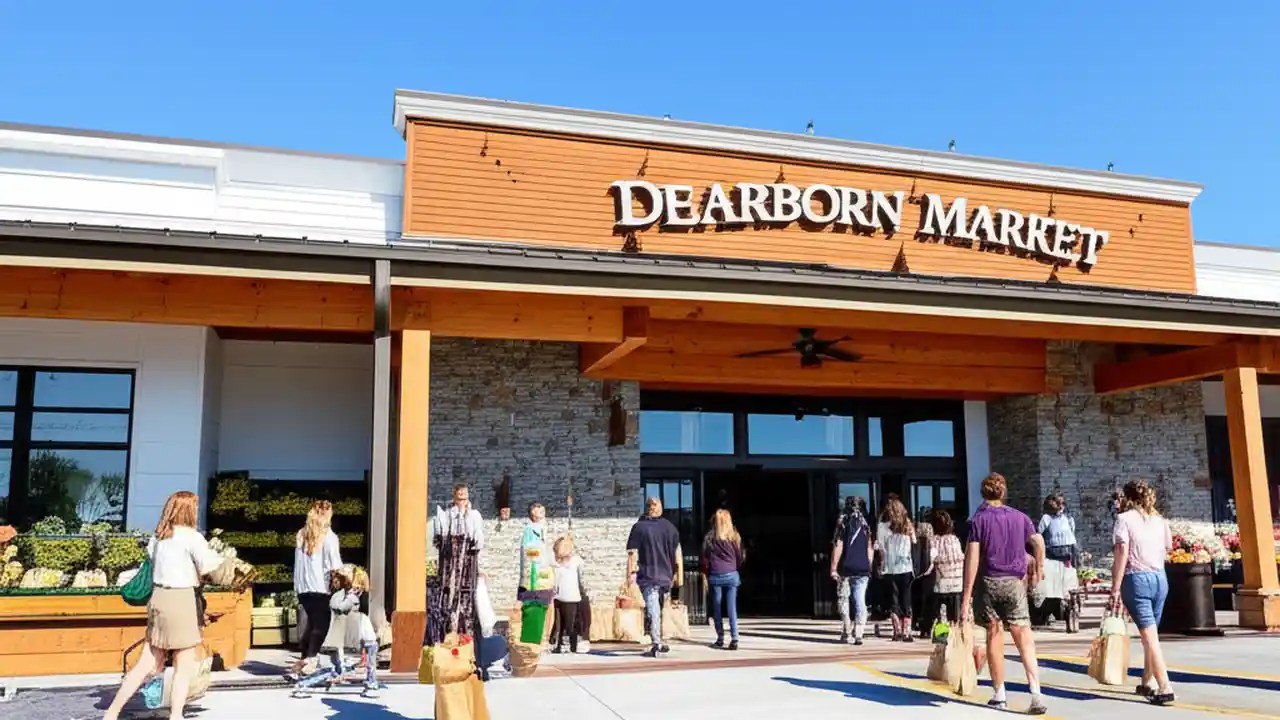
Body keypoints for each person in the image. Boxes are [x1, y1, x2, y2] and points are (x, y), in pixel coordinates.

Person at [104, 491, 227, 720]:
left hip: (157, 599)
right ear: (189, 510)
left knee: (146, 662)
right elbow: (210, 566)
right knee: (183, 664)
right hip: (181, 600)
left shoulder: (158, 538)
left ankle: (112, 712)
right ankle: (177, 715)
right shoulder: (192, 537)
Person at [960, 472, 1047, 715]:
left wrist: (966, 597)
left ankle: (999, 694)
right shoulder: (1020, 517)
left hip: (989, 582)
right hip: (1015, 583)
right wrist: (1039, 567)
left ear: (983, 493)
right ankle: (1036, 693)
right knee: (1024, 638)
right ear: (1003, 492)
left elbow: (972, 559)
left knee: (994, 634)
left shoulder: (979, 520)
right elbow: (1038, 541)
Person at [1111, 480, 1175, 705]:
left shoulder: (1124, 519)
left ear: (1127, 498)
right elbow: (1168, 548)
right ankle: (1147, 680)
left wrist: (1115, 587)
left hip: (1136, 579)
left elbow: (1122, 551)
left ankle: (1165, 685)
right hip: (1160, 578)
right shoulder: (1159, 520)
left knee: (1149, 637)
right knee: (1152, 635)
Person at [428, 484, 484, 648]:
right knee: (449, 595)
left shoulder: (474, 515)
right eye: (459, 498)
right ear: (454, 498)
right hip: (450, 564)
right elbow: (439, 540)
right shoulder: (447, 515)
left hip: (467, 562)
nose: (462, 502)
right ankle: (448, 633)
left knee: (466, 599)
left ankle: (466, 635)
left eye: (465, 498)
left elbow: (479, 539)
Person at [292, 499, 343, 677]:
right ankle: (311, 659)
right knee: (321, 624)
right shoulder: (329, 536)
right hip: (320, 587)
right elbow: (335, 565)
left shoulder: (301, 534)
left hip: (302, 588)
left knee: (312, 623)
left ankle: (304, 656)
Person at [626, 497, 682, 659]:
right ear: (660, 509)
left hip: (648, 573)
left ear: (646, 508)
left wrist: (629, 574)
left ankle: (656, 642)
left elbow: (632, 553)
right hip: (666, 574)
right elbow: (677, 552)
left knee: (653, 609)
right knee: (659, 607)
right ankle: (660, 639)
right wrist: (677, 573)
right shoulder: (670, 528)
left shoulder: (639, 527)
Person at [326, 564, 380, 692]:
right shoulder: (350, 595)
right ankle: (368, 679)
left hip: (358, 626)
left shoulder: (351, 596)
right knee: (368, 650)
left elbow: (340, 607)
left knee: (368, 649)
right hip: (356, 625)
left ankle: (369, 679)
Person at [829, 496, 873, 645]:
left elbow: (838, 544)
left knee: (844, 598)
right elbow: (869, 547)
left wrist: (833, 567)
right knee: (860, 599)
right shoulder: (866, 523)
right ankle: (859, 631)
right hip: (862, 568)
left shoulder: (843, 522)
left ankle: (847, 629)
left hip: (845, 568)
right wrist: (869, 565)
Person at [702, 508, 745, 650]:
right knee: (732, 607)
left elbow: (705, 557)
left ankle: (720, 638)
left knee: (717, 608)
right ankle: (734, 638)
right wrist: (734, 567)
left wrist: (706, 572)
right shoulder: (735, 537)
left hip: (715, 575)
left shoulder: (710, 538)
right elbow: (740, 556)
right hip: (732, 574)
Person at [876, 497, 917, 642]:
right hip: (906, 566)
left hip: (890, 567)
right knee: (906, 598)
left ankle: (897, 630)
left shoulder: (882, 527)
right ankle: (907, 631)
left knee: (893, 598)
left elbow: (881, 548)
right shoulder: (908, 525)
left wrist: (881, 565)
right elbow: (914, 543)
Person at [925, 509, 964, 631]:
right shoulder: (955, 540)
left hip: (940, 583)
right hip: (956, 583)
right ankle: (955, 635)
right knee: (954, 614)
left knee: (940, 614)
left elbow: (931, 561)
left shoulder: (934, 541)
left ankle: (941, 637)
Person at [551, 536, 584, 654]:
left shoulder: (574, 561)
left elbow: (581, 578)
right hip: (563, 596)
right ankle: (561, 644)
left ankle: (570, 644)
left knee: (566, 624)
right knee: (562, 623)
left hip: (568, 597)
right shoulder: (557, 563)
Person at [1039, 493, 1078, 566]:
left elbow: (1072, 531)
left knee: (1071, 569)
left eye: (1063, 504)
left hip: (1070, 546)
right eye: (1059, 504)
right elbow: (1039, 533)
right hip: (1053, 548)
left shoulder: (1068, 517)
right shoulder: (1046, 518)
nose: (1061, 507)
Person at [913, 507, 935, 638]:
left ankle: (915, 621)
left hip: (916, 574)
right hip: (928, 574)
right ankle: (925, 625)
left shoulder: (915, 544)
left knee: (916, 599)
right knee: (927, 600)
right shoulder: (931, 544)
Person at [518, 502, 548, 596]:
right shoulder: (529, 530)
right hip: (532, 569)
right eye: (540, 511)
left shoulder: (542, 528)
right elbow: (527, 552)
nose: (543, 514)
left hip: (542, 567)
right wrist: (539, 553)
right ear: (533, 513)